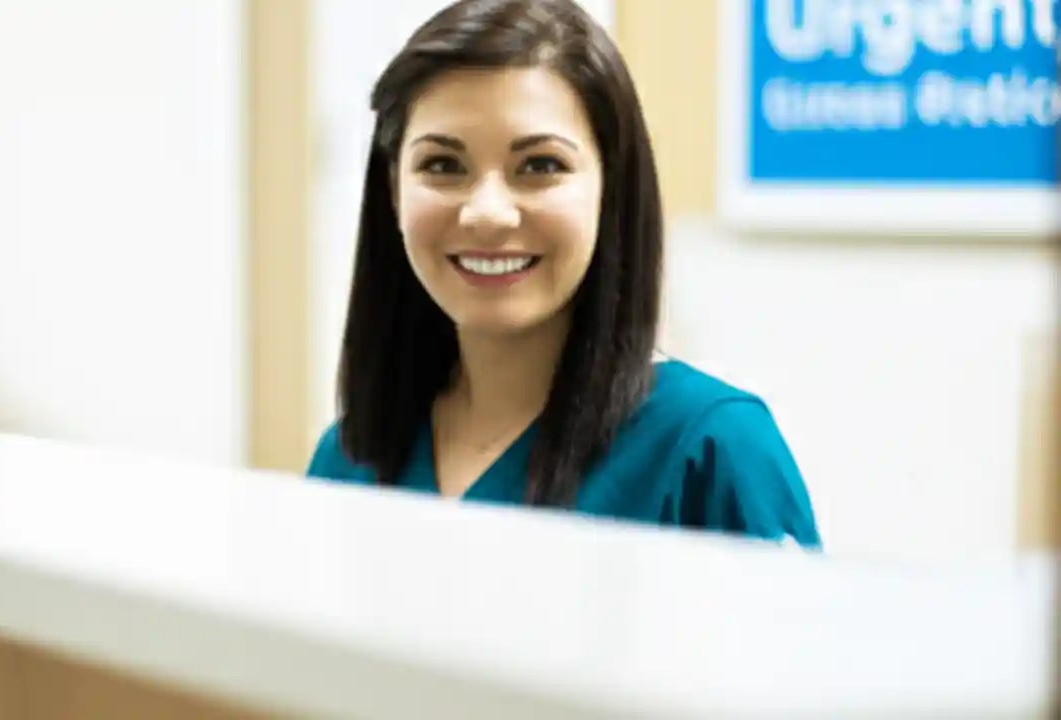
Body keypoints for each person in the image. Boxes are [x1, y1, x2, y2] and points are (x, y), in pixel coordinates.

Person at [306, 0, 820, 547]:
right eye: (442, 165)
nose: (487, 212)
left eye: (540, 166)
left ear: (610, 188)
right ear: (392, 190)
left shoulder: (711, 446)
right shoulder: (349, 459)